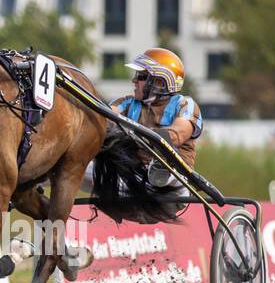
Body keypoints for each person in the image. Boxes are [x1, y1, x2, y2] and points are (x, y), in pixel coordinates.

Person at [82, 47, 204, 196]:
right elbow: (103, 118)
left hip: (174, 186)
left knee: (166, 151)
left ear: (160, 81)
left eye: (140, 76)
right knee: (74, 163)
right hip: (133, 179)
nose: (134, 80)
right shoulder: (126, 102)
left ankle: (160, 169)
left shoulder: (185, 105)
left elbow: (176, 135)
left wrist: (130, 134)